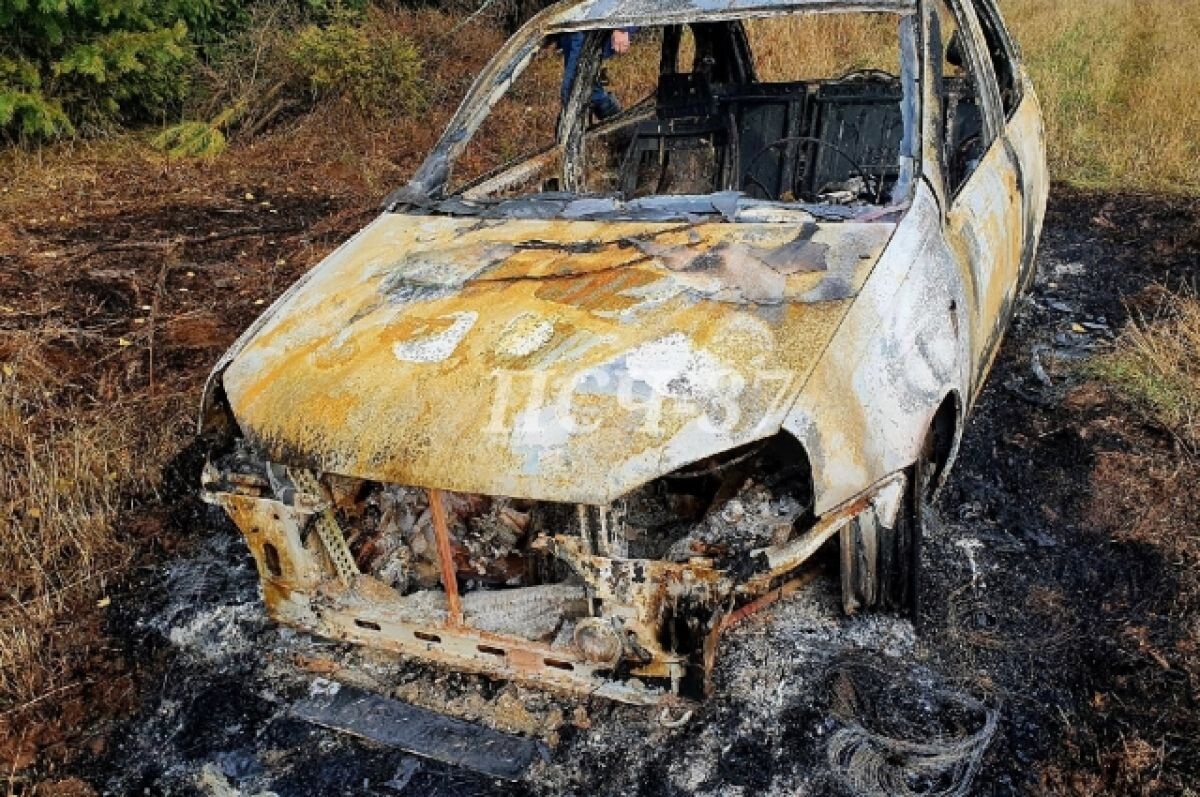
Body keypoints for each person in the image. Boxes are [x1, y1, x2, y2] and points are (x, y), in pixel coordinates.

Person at [557, 29, 631, 122]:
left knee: (572, 90)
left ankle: (623, 129)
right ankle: (623, 128)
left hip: (589, 29)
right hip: (573, 27)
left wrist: (621, 28)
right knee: (588, 90)